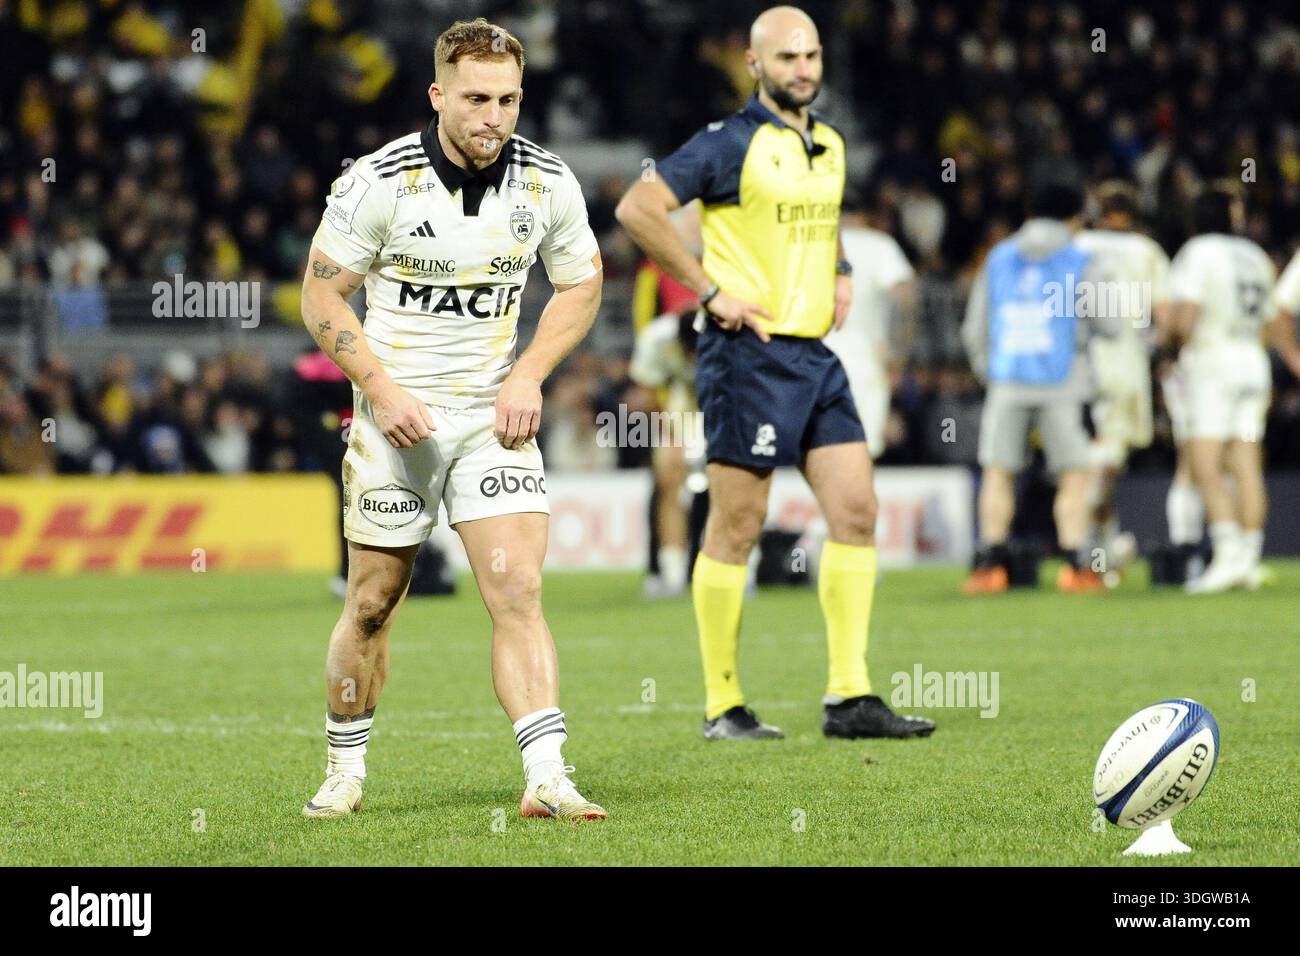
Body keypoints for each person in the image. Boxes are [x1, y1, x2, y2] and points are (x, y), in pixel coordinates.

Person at [299, 18, 606, 821]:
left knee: (517, 585)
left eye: (508, 99)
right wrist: (381, 388)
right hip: (393, 423)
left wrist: (531, 373)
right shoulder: (377, 183)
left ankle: (547, 773)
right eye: (476, 98)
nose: (494, 116)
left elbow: (581, 284)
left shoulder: (547, 183)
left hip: (490, 422)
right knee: (373, 600)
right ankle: (343, 768)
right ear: (438, 94)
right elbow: (321, 294)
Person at [616, 5, 934, 741]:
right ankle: (723, 704)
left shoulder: (830, 144)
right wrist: (708, 290)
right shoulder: (728, 144)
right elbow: (640, 208)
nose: (804, 69)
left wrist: (843, 268)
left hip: (815, 357)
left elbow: (822, 224)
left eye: (813, 56)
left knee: (856, 512)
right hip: (745, 356)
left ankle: (849, 698)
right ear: (755, 65)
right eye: (788, 58)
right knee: (737, 523)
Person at [960, 180, 1121, 595]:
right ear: (1074, 217)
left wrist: (990, 372)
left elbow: (975, 328)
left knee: (998, 472)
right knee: (1073, 475)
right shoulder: (1083, 259)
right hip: (1063, 381)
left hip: (1008, 379)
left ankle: (990, 567)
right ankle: (1075, 568)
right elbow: (1112, 324)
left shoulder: (998, 257)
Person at [1166, 187, 1276, 593]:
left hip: (1214, 362)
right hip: (1252, 362)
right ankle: (1249, 555)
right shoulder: (1255, 256)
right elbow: (1269, 322)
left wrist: (1171, 348)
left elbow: (1187, 315)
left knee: (1205, 461)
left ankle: (1227, 554)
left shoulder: (1198, 252)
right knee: (1246, 462)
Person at [1073, 181, 1170, 578]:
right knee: (1108, 456)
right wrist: (1160, 350)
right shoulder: (1146, 251)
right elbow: (1163, 317)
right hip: (1122, 364)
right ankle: (1088, 549)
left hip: (1070, 367)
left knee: (1086, 456)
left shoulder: (1074, 246)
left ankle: (1102, 546)